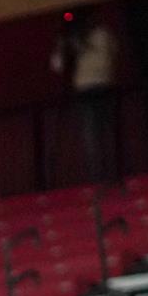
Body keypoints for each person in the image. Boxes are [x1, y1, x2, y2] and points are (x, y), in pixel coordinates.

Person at [53, 11, 119, 182]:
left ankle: (103, 173)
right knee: (102, 131)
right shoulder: (95, 35)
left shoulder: (83, 38)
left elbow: (57, 65)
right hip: (98, 85)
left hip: (91, 86)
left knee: (96, 132)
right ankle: (106, 172)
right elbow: (58, 64)